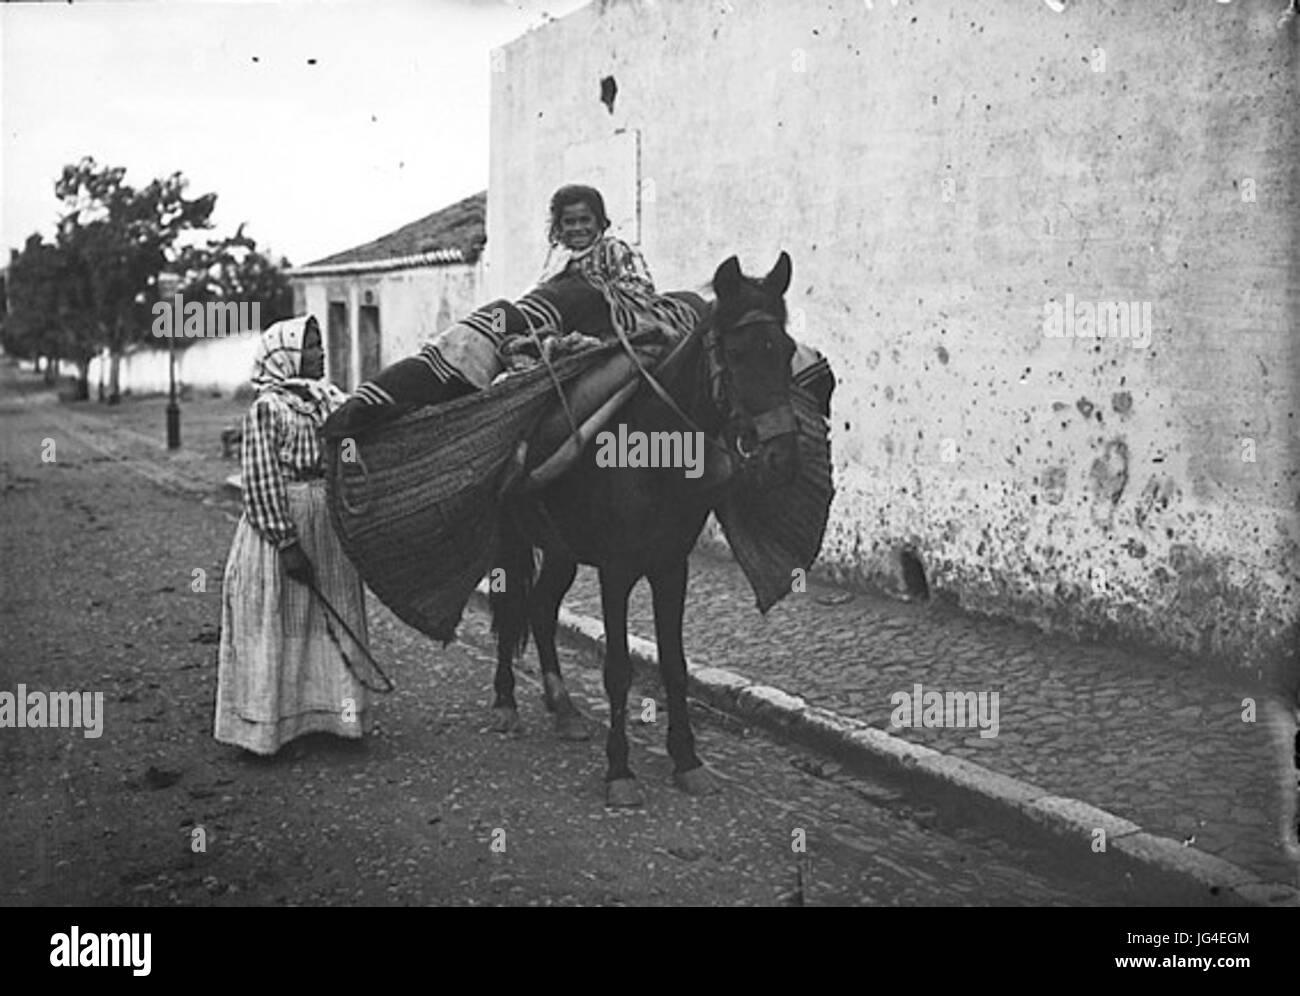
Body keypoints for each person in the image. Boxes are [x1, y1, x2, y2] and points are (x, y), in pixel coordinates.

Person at [214, 316, 371, 757]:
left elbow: (351, 451)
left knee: (329, 611)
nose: (322, 353)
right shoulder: (269, 408)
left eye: (320, 345)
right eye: (313, 347)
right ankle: (273, 726)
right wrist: (285, 543)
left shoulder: (329, 401)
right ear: (286, 356)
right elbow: (260, 481)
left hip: (328, 523)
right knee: (283, 619)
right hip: (285, 523)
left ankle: (334, 718)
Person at [535, 183, 698, 345]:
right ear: (559, 226)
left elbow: (641, 290)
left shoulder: (614, 249)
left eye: (585, 220)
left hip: (614, 327)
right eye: (569, 222)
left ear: (599, 221)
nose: (578, 228)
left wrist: (594, 289)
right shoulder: (557, 260)